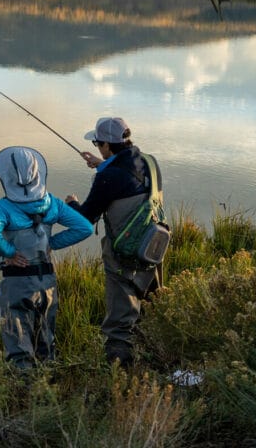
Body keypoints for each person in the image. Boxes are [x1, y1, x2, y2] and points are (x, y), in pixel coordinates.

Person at [0, 145, 93, 370]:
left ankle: (24, 396)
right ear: (37, 173)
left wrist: (11, 253)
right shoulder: (52, 203)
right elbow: (84, 228)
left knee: (18, 343)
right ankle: (48, 389)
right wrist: (51, 243)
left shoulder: (3, 207)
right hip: (47, 283)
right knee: (46, 342)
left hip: (17, 282)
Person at [67, 116, 162, 366]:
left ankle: (119, 378)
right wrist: (103, 165)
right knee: (152, 306)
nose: (98, 147)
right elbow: (129, 181)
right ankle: (158, 359)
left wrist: (71, 204)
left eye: (98, 143)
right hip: (153, 247)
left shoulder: (108, 179)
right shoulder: (149, 162)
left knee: (119, 322)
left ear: (108, 145)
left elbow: (86, 218)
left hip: (125, 254)